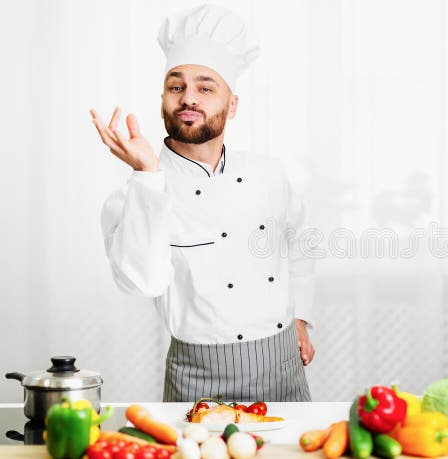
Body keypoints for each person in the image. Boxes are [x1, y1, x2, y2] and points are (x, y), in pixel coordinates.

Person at [91, 4, 315, 402]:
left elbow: (298, 243)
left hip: (282, 364)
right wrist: (146, 175)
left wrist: (300, 316)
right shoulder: (135, 193)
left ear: (231, 106)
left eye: (205, 87)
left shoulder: (269, 173)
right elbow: (142, 282)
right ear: (163, 101)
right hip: (198, 374)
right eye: (176, 87)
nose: (188, 98)